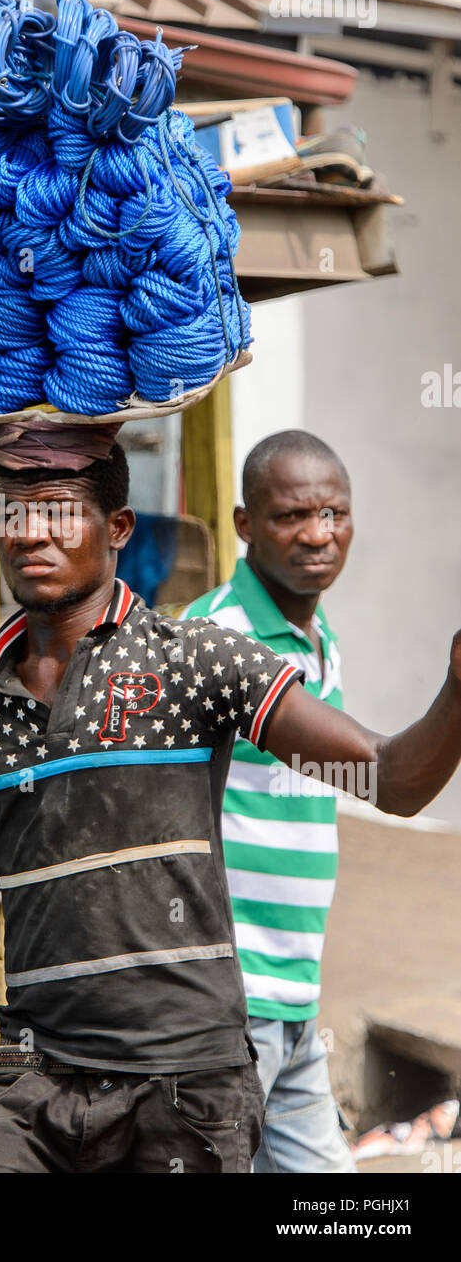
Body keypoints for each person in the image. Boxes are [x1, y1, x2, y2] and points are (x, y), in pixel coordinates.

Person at [0, 421, 461, 1174]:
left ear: (117, 527)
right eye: (11, 512)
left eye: (59, 511)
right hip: (32, 1083)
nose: (31, 534)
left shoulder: (197, 661)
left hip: (187, 1090)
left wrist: (455, 689)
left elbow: (386, 778)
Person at [184, 430, 357, 1172]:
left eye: (334, 513)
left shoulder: (318, 636)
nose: (317, 535)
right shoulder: (212, 636)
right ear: (244, 525)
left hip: (292, 996)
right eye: (291, 516)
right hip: (228, 998)